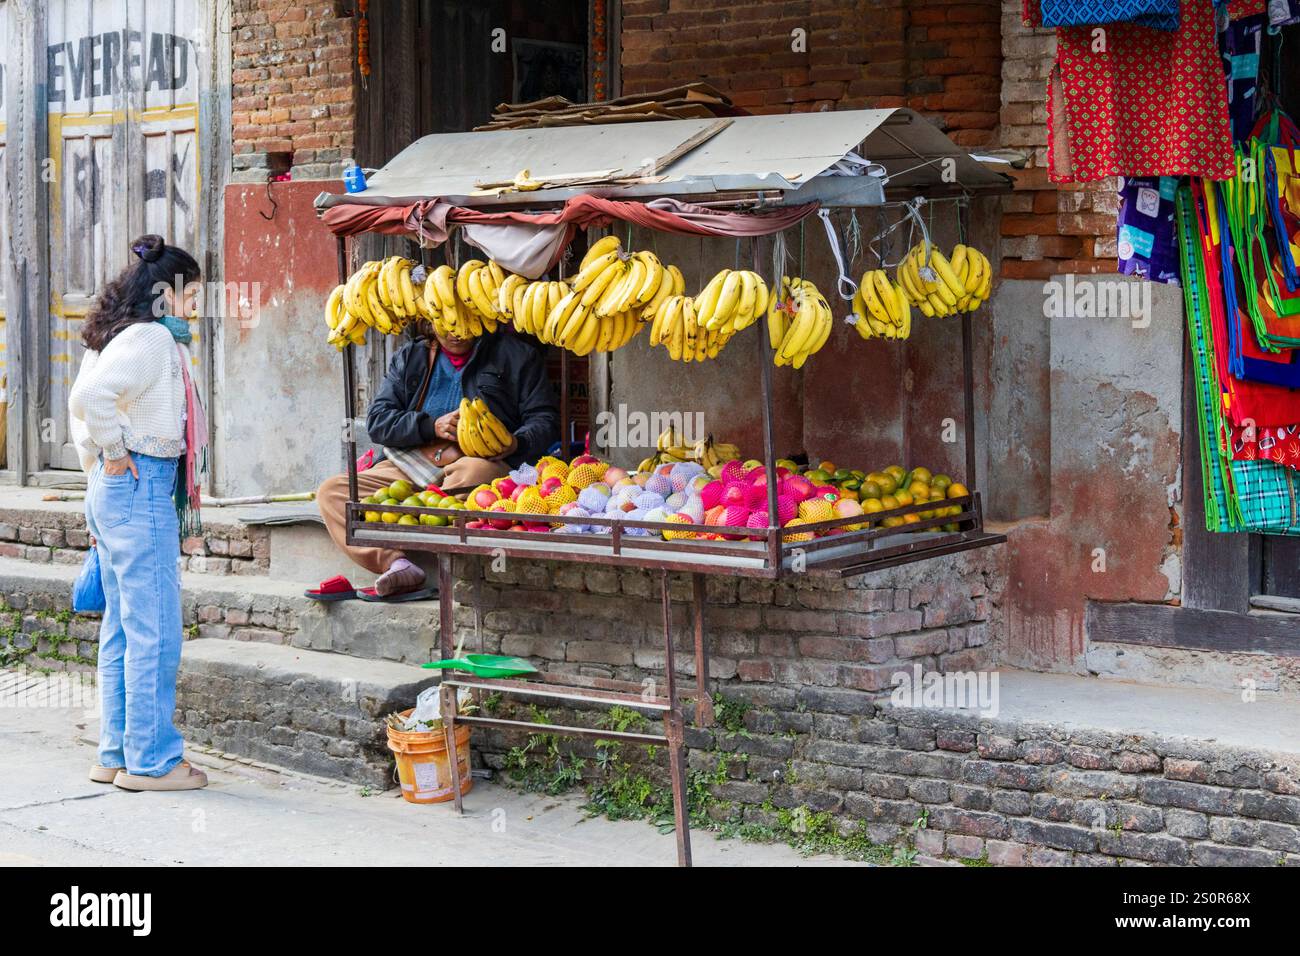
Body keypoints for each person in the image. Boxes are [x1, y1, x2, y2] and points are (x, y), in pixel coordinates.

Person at [68, 234, 209, 792]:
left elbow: (88, 397)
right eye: (194, 292)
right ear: (167, 292)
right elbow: (93, 400)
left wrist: (106, 462)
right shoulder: (150, 338)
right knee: (154, 632)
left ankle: (116, 754)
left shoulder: (126, 335)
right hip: (139, 484)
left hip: (119, 490)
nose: (199, 302)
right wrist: (117, 452)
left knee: (125, 630)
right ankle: (152, 762)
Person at [315, 322, 559, 600]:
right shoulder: (411, 357)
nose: (455, 331)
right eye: (445, 322)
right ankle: (396, 564)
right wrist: (431, 426)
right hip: (411, 464)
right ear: (430, 320)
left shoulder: (517, 356)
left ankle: (452, 561)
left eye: (462, 321)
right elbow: (378, 421)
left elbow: (545, 420)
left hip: (475, 463)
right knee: (333, 492)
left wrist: (516, 443)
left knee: (474, 480)